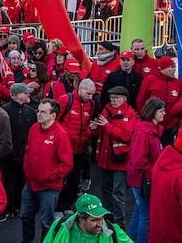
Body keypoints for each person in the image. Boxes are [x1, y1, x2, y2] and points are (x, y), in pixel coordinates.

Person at [22, 98, 74, 243]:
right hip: (30, 184)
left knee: (46, 223)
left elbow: (67, 164)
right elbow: (27, 151)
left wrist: (49, 176)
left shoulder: (60, 134)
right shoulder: (34, 129)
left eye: (43, 112)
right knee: (26, 216)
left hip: (49, 188)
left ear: (53, 115)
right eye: (38, 111)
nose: (39, 114)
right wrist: (27, 170)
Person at [94, 85, 136, 225]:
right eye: (111, 98)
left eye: (116, 98)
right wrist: (96, 127)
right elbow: (100, 131)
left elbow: (126, 136)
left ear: (124, 99)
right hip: (105, 159)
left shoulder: (130, 114)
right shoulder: (106, 110)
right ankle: (107, 218)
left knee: (118, 192)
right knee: (105, 190)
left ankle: (119, 222)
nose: (113, 100)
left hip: (120, 160)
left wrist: (107, 126)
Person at [126, 97, 165, 243]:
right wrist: (154, 173)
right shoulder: (145, 132)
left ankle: (130, 240)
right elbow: (139, 161)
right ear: (153, 112)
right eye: (161, 111)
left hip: (141, 178)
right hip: (142, 180)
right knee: (145, 216)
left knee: (139, 213)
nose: (164, 114)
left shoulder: (150, 130)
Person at [57, 79, 98, 213]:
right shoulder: (65, 100)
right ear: (80, 89)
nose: (90, 97)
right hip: (64, 149)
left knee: (74, 181)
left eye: (92, 94)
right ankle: (58, 207)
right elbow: (55, 121)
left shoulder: (90, 104)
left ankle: (67, 206)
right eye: (88, 93)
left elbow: (87, 124)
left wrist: (91, 131)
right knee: (61, 180)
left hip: (80, 148)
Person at [1, 82, 36, 220]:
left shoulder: (30, 111)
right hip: (9, 157)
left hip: (25, 156)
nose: (29, 94)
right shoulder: (5, 110)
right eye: (26, 92)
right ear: (17, 95)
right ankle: (8, 208)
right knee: (8, 183)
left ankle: (18, 206)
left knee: (22, 183)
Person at [42, 194, 133, 243]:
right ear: (80, 218)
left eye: (101, 218)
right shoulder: (60, 226)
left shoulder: (112, 230)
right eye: (94, 220)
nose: (100, 224)